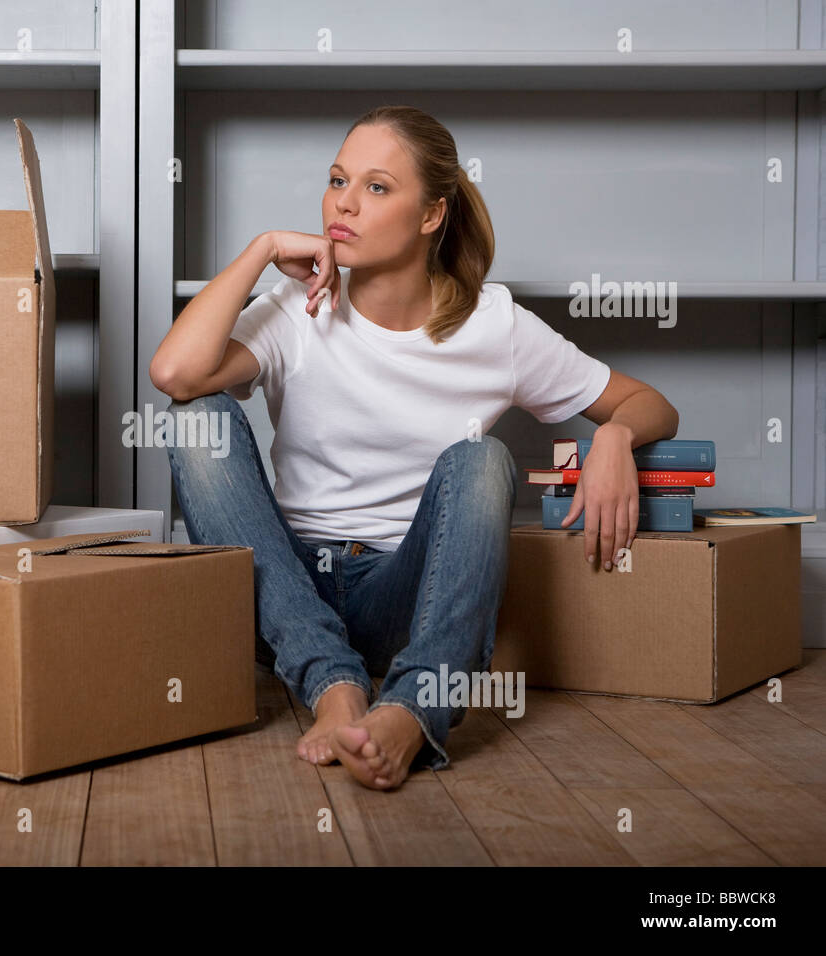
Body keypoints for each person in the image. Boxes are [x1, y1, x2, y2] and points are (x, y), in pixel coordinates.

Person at [148, 105, 679, 791]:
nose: (344, 202)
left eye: (376, 187)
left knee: (482, 458)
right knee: (197, 418)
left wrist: (613, 434)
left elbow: (651, 404)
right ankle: (332, 684)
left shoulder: (495, 327)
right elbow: (175, 375)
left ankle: (413, 710)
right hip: (282, 589)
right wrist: (261, 248)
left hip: (399, 596)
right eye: (338, 180)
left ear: (431, 215)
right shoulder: (297, 308)